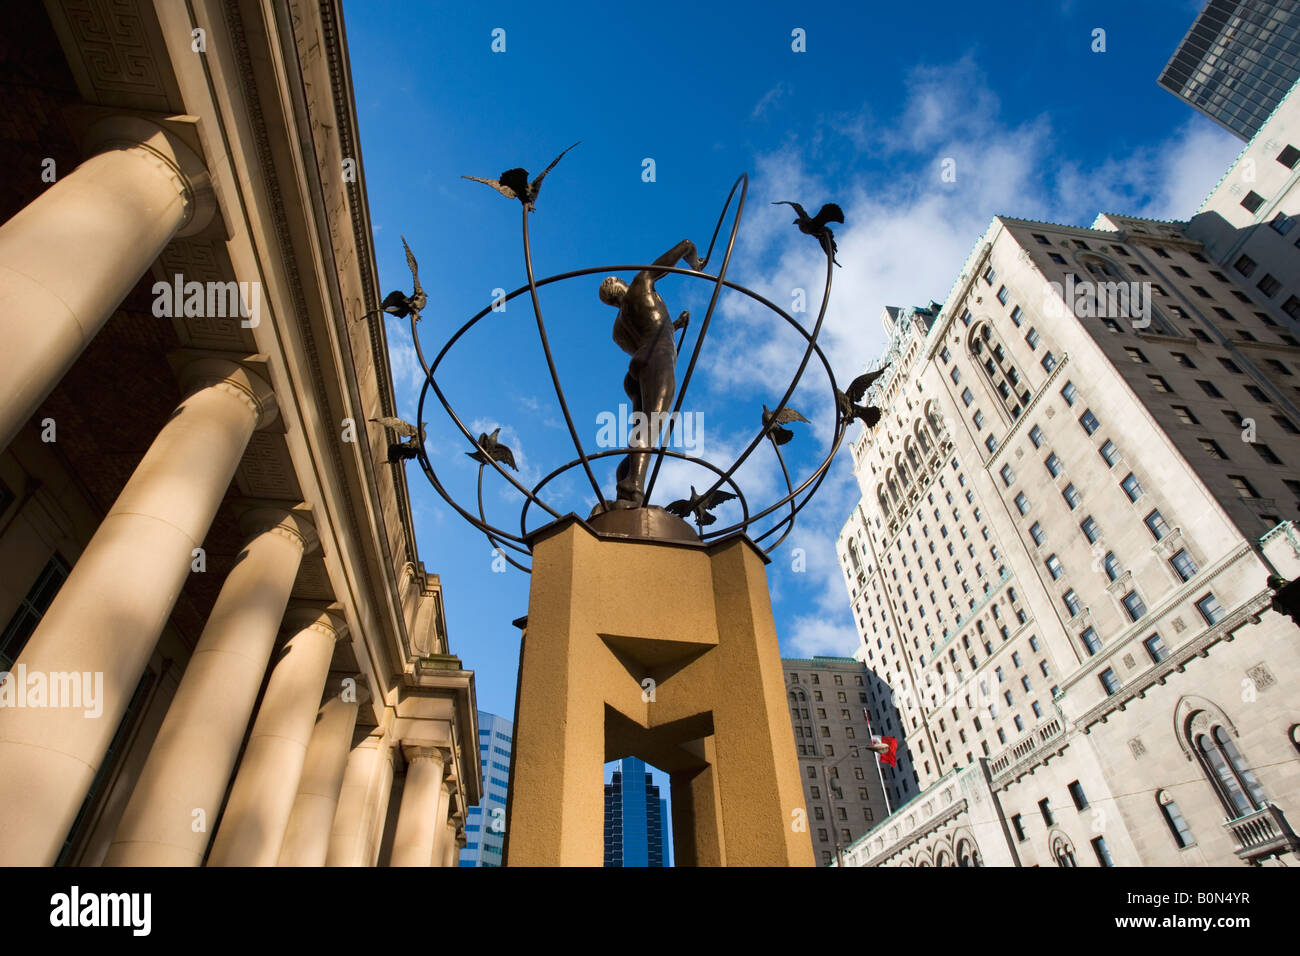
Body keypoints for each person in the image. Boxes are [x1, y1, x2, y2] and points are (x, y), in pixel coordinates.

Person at [598, 239, 702, 507]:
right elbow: (685, 245)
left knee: (643, 428)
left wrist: (676, 325)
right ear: (620, 286)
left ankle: (627, 474)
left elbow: (651, 332)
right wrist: (696, 263)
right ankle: (632, 486)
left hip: (636, 369)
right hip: (657, 358)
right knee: (653, 424)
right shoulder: (641, 282)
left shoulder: (617, 329)